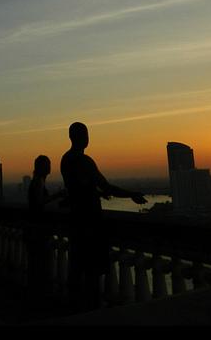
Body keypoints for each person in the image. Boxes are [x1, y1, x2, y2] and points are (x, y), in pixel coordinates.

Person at [60, 122, 146, 310]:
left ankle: (74, 308)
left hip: (76, 219)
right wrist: (132, 194)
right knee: (92, 270)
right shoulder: (84, 161)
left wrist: (95, 193)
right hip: (90, 221)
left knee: (76, 268)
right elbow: (107, 187)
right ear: (86, 137)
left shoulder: (65, 160)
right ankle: (91, 310)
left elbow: (77, 189)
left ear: (70, 137)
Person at [26, 155, 67, 300]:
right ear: (39, 167)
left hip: (35, 227)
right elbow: (39, 202)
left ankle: (37, 292)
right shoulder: (38, 181)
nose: (49, 167)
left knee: (37, 262)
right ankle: (38, 294)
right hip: (37, 227)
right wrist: (58, 195)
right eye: (46, 164)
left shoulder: (39, 181)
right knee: (39, 262)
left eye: (49, 164)